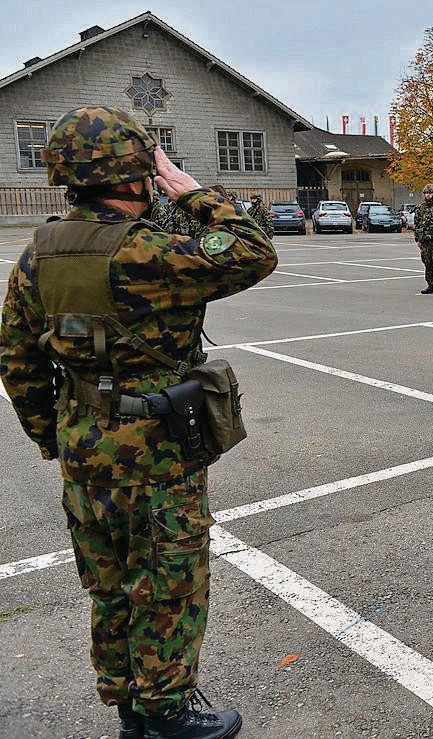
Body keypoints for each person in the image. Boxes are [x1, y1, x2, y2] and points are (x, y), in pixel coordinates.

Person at [0, 106, 278, 739]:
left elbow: (16, 359)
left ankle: (130, 707)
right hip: (154, 453)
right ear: (133, 176)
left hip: (82, 450)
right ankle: (166, 716)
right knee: (167, 583)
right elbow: (254, 251)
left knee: (111, 584)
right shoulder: (150, 253)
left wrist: (56, 435)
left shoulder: (37, 253)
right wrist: (194, 190)